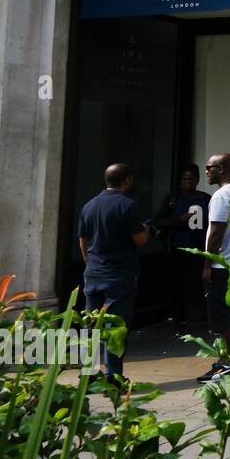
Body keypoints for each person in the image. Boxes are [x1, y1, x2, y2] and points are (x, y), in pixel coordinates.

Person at [77, 163, 154, 384]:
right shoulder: (128, 206)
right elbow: (140, 240)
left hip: (93, 273)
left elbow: (82, 241)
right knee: (116, 327)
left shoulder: (89, 206)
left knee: (90, 324)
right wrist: (146, 228)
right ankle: (113, 376)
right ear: (127, 180)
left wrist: (90, 263)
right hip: (120, 275)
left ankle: (88, 373)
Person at [197, 152, 230, 384]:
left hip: (223, 265)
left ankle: (224, 363)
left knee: (220, 318)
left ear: (221, 169)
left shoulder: (221, 196)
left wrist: (207, 264)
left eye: (209, 167)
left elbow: (217, 232)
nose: (206, 171)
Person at [151, 163, 211, 334]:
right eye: (185, 179)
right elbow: (157, 220)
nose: (188, 182)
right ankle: (180, 321)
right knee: (177, 286)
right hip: (178, 249)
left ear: (198, 179)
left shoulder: (206, 199)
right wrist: (179, 220)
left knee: (199, 285)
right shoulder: (173, 199)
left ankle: (204, 320)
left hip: (201, 250)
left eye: (191, 178)